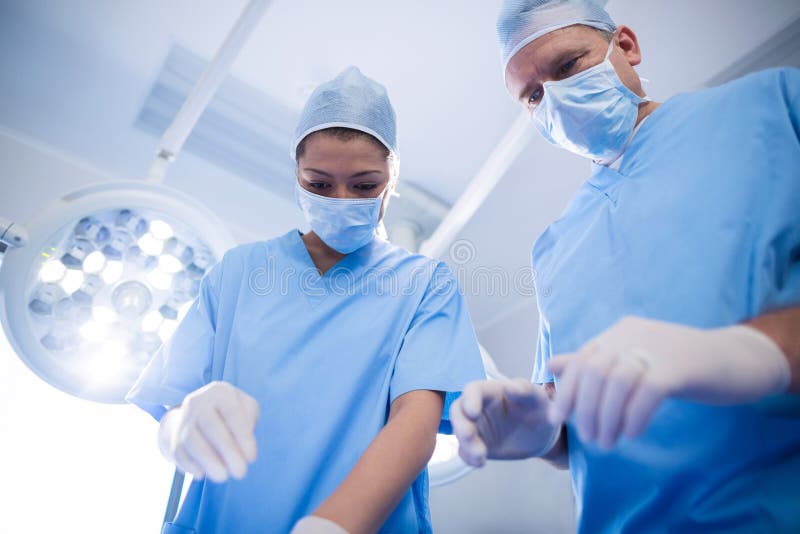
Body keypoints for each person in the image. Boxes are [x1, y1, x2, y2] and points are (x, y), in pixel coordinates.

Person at [450, 0, 800, 531]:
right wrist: (538, 429)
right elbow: (568, 418)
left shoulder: (772, 106)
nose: (556, 99)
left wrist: (751, 354)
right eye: (533, 95)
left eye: (567, 67)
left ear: (627, 47)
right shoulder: (554, 249)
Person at [127, 66, 485, 534]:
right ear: (296, 176)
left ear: (392, 179)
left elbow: (415, 423)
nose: (340, 198)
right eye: (319, 184)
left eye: (364, 185)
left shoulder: (423, 284)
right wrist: (180, 429)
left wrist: (332, 526)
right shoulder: (237, 272)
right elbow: (173, 403)